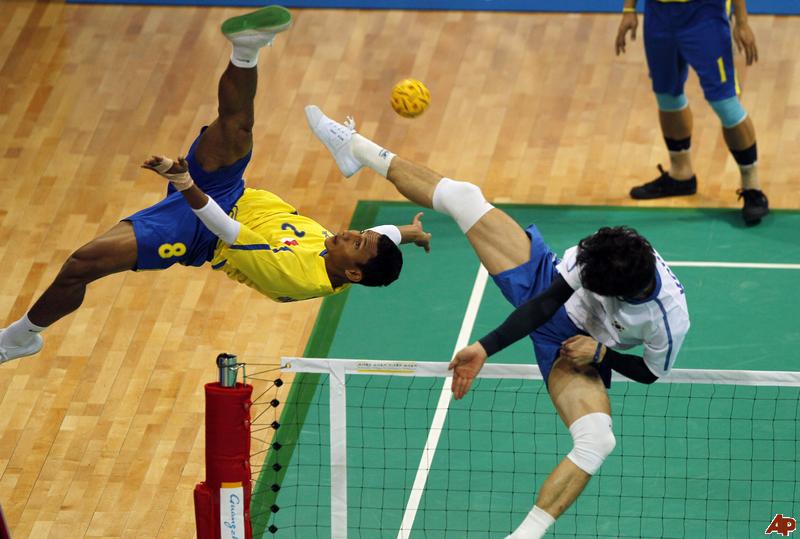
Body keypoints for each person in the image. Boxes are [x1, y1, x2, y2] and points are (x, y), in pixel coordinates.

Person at [305, 105, 690, 538]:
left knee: (598, 439)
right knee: (465, 195)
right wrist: (484, 347)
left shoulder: (667, 319)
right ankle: (354, 147)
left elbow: (650, 373)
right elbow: (548, 303)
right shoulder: (602, 251)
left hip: (577, 350)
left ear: (620, 292)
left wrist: (601, 352)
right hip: (545, 286)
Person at [0, 6, 431, 364]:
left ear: (352, 272)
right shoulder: (353, 253)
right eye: (361, 234)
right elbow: (380, 240)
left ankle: (22, 337)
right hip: (231, 191)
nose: (351, 232)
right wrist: (409, 233)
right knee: (238, 127)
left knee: (82, 263)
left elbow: (225, 229)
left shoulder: (296, 277)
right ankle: (247, 50)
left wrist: (183, 180)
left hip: (203, 233)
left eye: (356, 242)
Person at [616, 0, 769, 225]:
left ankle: (752, 187)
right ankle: (681, 175)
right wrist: (629, 9)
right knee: (667, 94)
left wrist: (742, 21)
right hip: (659, 13)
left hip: (704, 13)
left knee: (725, 102)